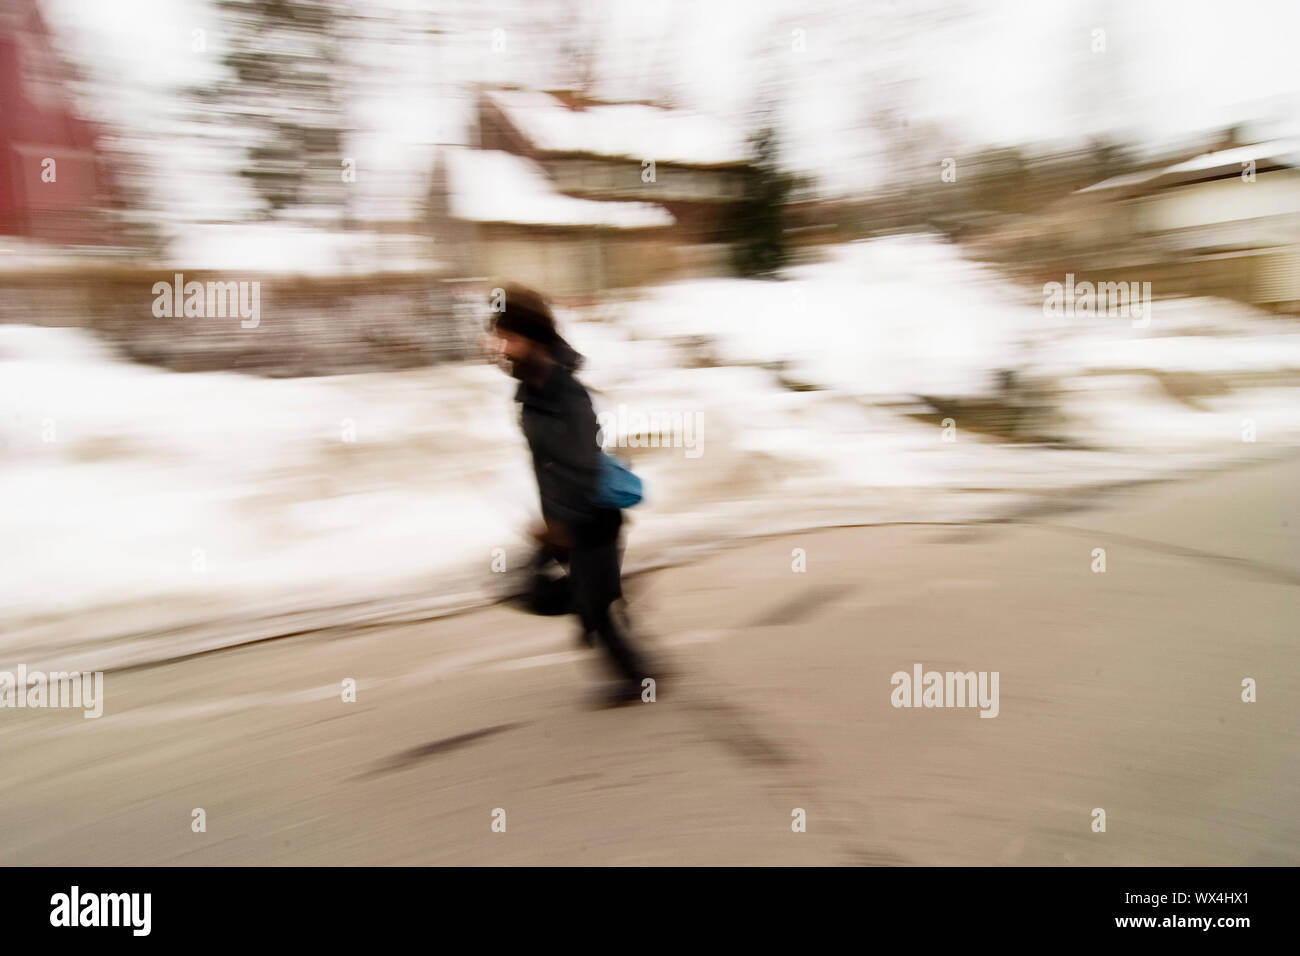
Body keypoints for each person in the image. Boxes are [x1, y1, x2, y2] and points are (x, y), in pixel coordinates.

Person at [488, 284, 655, 705]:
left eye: (507, 336)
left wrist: (561, 526)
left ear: (531, 336)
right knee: (529, 591)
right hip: (559, 520)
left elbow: (581, 468)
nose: (500, 345)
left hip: (588, 521)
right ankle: (602, 592)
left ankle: (638, 679)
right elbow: (548, 465)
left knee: (593, 611)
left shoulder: (568, 396)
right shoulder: (529, 392)